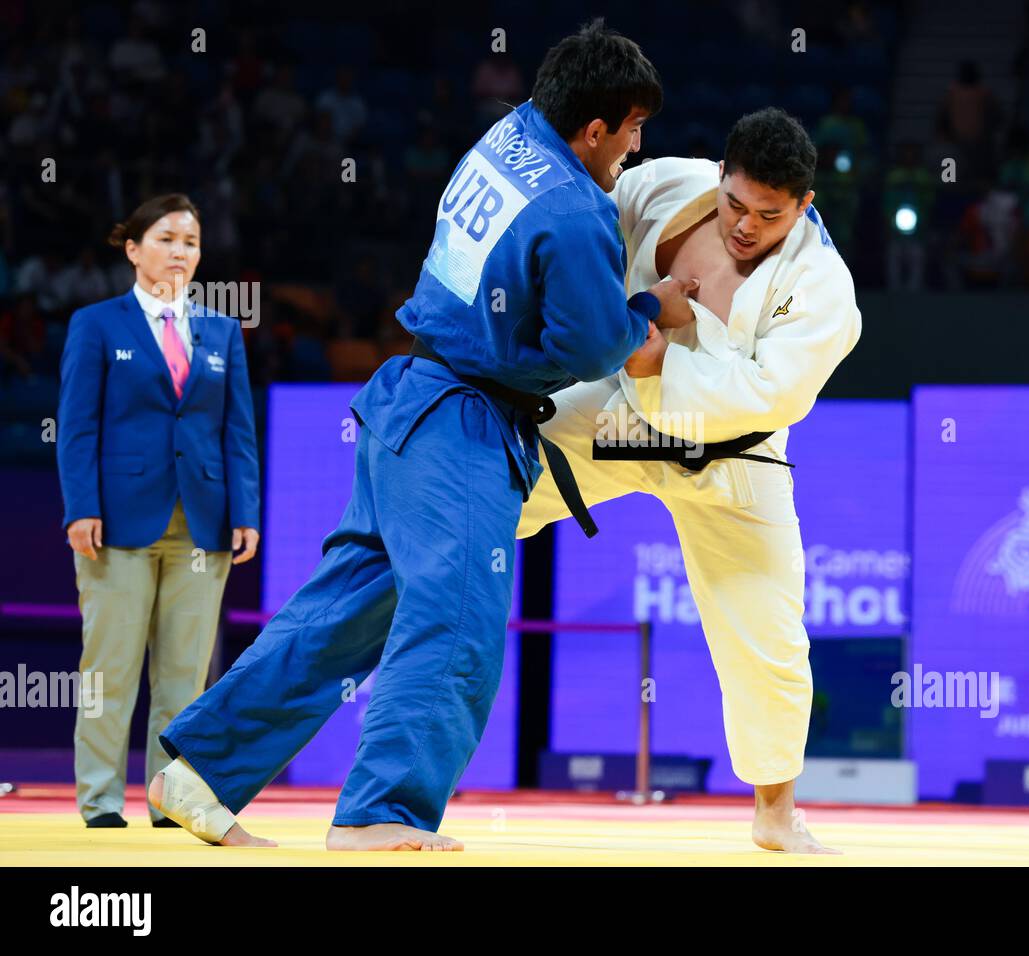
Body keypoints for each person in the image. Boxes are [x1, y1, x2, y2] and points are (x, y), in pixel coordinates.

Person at [150, 21, 696, 851]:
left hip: (406, 402)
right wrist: (652, 307)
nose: (634, 146)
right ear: (595, 128)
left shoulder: (504, 139)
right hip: (461, 428)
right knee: (459, 617)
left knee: (344, 614)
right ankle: (381, 812)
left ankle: (199, 771)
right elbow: (591, 347)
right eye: (631, 129)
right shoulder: (575, 209)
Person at [516, 108, 862, 853]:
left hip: (736, 459)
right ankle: (412, 556)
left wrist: (649, 359)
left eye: (769, 215)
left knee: (767, 635)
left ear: (804, 206)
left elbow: (764, 399)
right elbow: (587, 227)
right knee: (500, 474)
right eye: (735, 203)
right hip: (629, 427)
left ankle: (776, 811)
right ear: (721, 175)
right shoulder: (673, 186)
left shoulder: (823, 288)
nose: (744, 225)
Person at [56, 193, 260, 828]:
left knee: (185, 674)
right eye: (168, 238)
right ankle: (99, 802)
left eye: (191, 242)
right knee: (109, 668)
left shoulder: (223, 330)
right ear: (133, 248)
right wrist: (80, 508)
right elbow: (76, 427)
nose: (181, 252)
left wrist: (245, 510)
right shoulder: (96, 324)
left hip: (203, 521)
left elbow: (237, 432)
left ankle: (169, 800)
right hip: (115, 520)